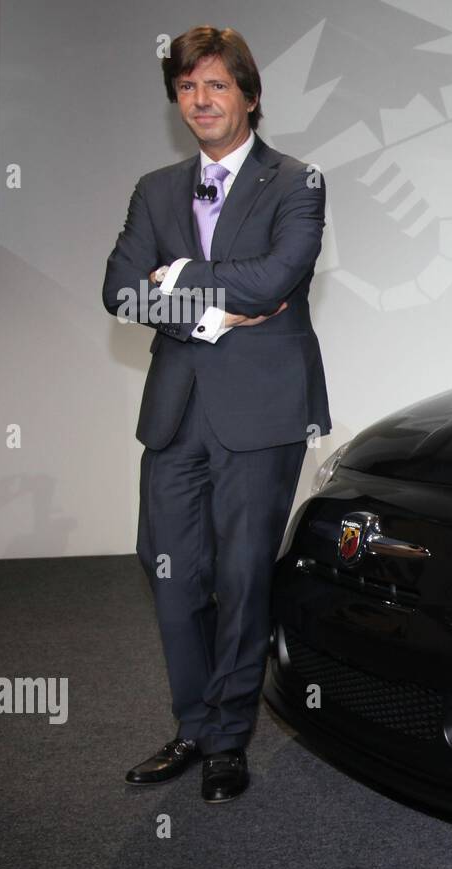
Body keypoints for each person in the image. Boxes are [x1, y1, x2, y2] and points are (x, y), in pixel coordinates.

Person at [100, 25, 331, 802]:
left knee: (239, 575)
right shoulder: (153, 189)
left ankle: (228, 737)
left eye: (217, 85)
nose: (200, 99)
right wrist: (207, 310)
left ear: (250, 97)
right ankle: (193, 723)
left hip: (262, 409)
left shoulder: (298, 181)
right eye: (187, 87)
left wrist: (184, 275)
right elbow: (121, 291)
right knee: (170, 574)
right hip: (175, 412)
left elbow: (275, 279)